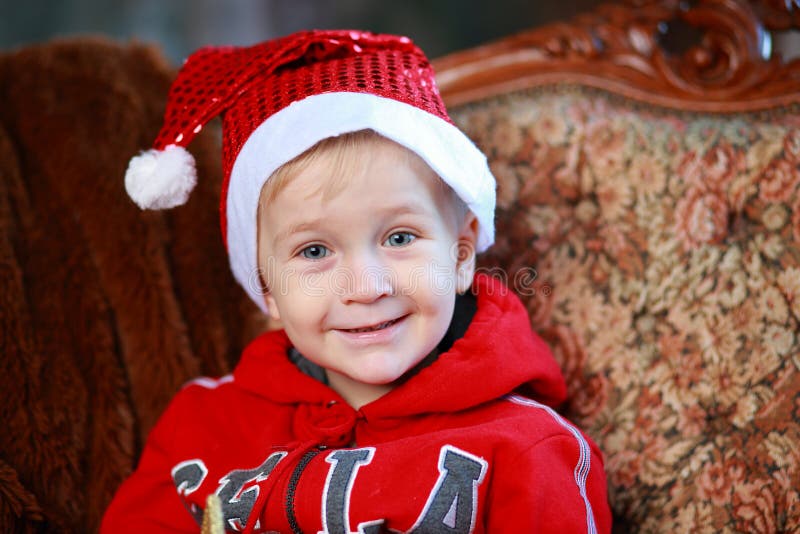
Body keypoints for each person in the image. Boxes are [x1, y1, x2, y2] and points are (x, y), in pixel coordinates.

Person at [102, 29, 611, 533]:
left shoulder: (528, 449)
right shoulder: (200, 425)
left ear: (460, 254)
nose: (366, 287)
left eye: (399, 238)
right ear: (267, 286)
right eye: (315, 250)